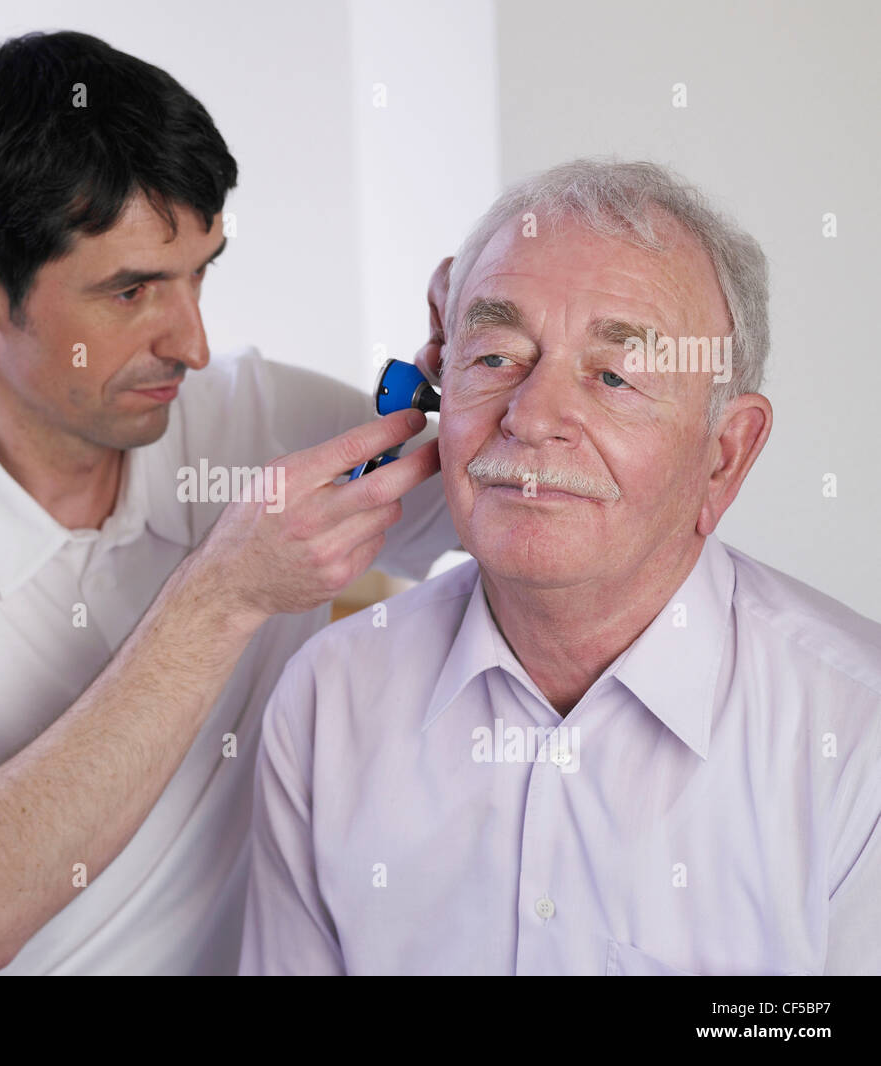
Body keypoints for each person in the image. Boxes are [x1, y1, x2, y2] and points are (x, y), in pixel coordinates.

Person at [0, 30, 456, 975]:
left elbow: (498, 499)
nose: (192, 344)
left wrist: (495, 352)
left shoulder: (258, 417)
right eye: (130, 291)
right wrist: (227, 590)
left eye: (200, 272)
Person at [240, 157, 881, 976]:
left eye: (614, 375)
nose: (532, 416)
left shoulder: (857, 739)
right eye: (496, 358)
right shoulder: (331, 698)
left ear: (724, 455)